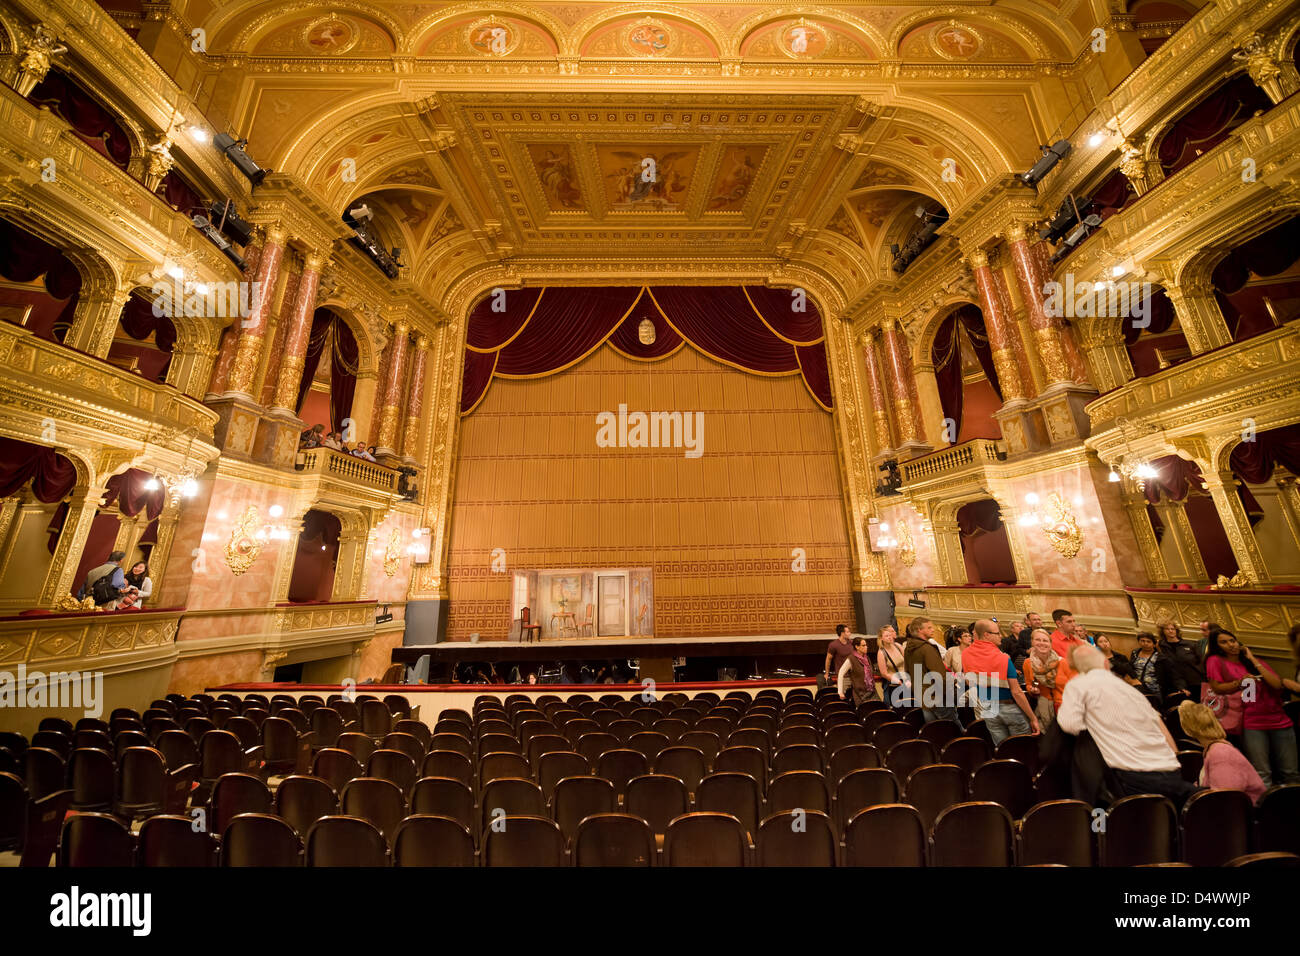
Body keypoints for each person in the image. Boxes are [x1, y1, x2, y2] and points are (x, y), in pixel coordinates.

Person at [1056, 643, 1199, 804]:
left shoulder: (1079, 684)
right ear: (1105, 663)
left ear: (1076, 668)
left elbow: (1070, 725)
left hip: (1134, 774)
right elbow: (1159, 725)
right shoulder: (1131, 690)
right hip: (1170, 768)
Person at [1203, 629, 1298, 786]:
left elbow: (1276, 684)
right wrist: (1240, 682)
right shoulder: (1215, 660)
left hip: (1278, 717)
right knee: (1262, 773)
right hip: (1252, 721)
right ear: (1217, 646)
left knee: (1290, 771)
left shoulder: (1252, 662)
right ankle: (1266, 807)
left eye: (1232, 640)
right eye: (1224, 642)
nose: (1230, 645)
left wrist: (1252, 659)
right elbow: (1219, 688)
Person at [964, 619, 1039, 743]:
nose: (1001, 636)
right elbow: (1016, 692)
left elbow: (968, 683)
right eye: (997, 633)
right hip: (1009, 708)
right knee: (1023, 748)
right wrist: (1032, 718)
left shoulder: (966, 654)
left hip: (987, 708)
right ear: (987, 635)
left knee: (1003, 749)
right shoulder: (1002, 657)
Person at [1177, 701, 1266, 803]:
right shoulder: (1214, 749)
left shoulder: (1220, 753)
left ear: (1188, 729)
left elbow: (1226, 799)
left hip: (1247, 813)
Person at [903, 616, 954, 722]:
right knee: (953, 728)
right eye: (929, 627)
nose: (933, 629)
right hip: (937, 696)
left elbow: (907, 672)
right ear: (919, 630)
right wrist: (949, 693)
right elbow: (940, 675)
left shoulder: (909, 648)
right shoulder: (926, 648)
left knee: (933, 730)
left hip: (922, 696)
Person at [1154, 618, 1202, 707]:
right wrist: (1180, 686)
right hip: (1176, 685)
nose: (1170, 631)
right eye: (1167, 629)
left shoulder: (1190, 644)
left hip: (1195, 682)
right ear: (1162, 631)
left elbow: (1201, 662)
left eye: (1172, 629)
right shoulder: (1160, 646)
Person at [1022, 628, 1061, 729]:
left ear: (1050, 643)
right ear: (1032, 642)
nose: (1042, 643)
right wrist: (1031, 689)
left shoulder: (1061, 662)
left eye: (1045, 640)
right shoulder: (1027, 663)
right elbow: (1028, 683)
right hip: (1042, 706)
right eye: (1038, 640)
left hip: (1062, 705)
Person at [1049, 608, 1086, 692]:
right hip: (1065, 687)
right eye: (1069, 622)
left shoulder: (1077, 641)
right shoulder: (1051, 641)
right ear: (1059, 623)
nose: (1074, 624)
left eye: (1074, 621)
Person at [837, 636, 878, 707]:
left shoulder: (867, 658)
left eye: (866, 645)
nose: (866, 647)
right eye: (863, 645)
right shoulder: (851, 659)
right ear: (857, 647)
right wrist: (840, 692)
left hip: (872, 691)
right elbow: (840, 673)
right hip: (860, 694)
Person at [876, 625, 911, 705]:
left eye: (890, 635)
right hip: (893, 683)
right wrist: (898, 681)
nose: (889, 637)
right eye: (886, 636)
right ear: (881, 638)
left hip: (905, 679)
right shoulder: (881, 653)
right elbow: (884, 673)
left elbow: (907, 662)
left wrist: (909, 678)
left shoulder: (898, 646)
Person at [1130, 631, 1161, 699]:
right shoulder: (1135, 653)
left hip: (1153, 688)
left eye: (1148, 641)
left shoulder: (1159, 656)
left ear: (1154, 644)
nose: (1145, 643)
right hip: (1136, 686)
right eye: (1142, 641)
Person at [822, 624, 854, 689]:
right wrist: (827, 673)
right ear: (842, 633)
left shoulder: (852, 643)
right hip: (843, 677)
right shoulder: (833, 645)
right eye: (847, 632)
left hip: (854, 676)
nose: (850, 633)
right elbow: (828, 659)